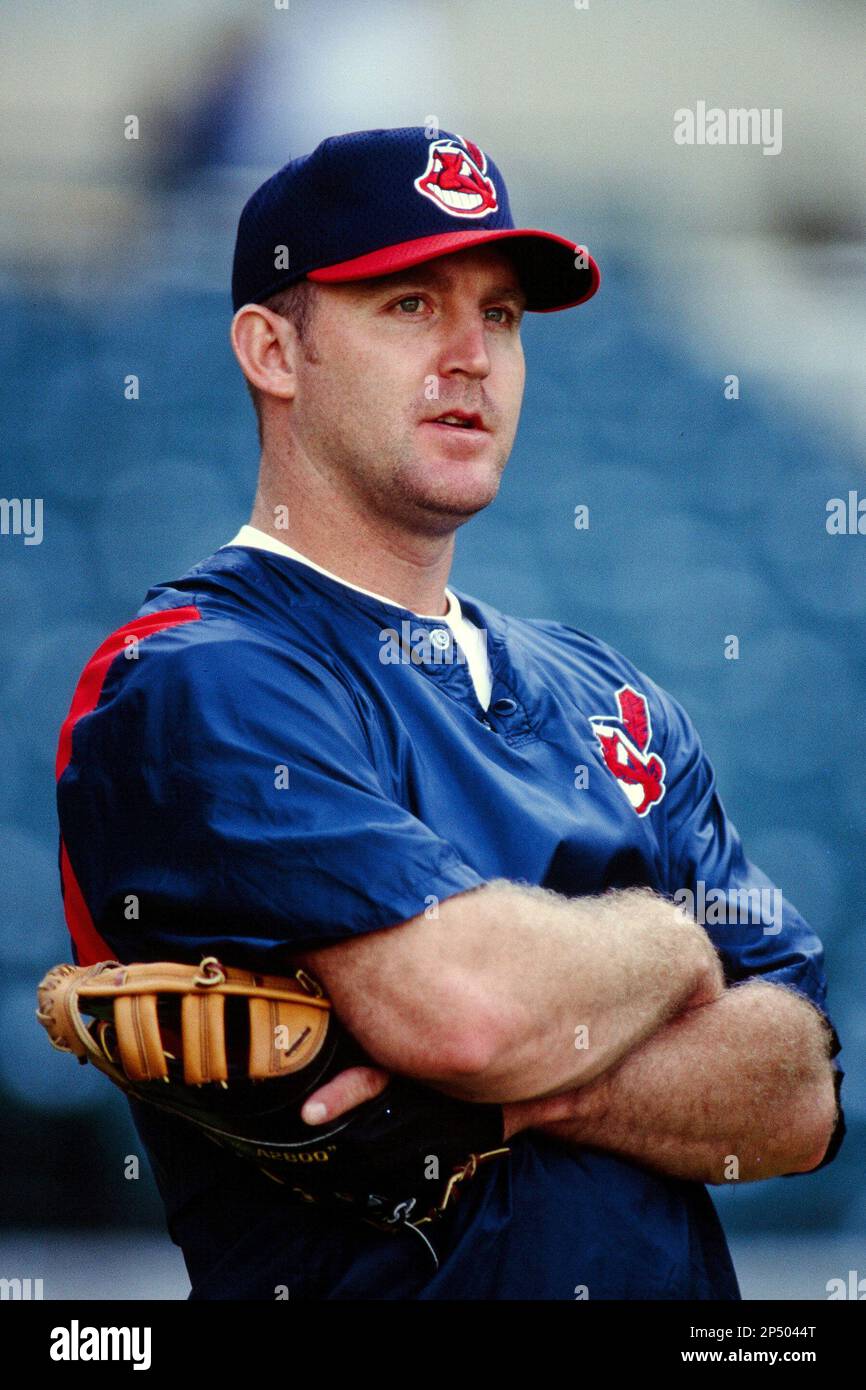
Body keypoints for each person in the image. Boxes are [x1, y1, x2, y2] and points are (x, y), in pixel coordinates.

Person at [55, 127, 845, 1300]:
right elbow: (470, 1017)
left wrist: (528, 1080)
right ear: (273, 349)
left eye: (504, 315)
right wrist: (675, 948)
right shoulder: (195, 677)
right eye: (411, 305)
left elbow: (796, 1093)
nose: (473, 355)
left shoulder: (611, 698)